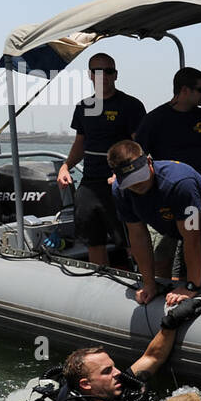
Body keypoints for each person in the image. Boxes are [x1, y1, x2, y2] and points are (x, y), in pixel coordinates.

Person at [106, 140, 201, 306]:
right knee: (176, 285)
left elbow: (192, 239)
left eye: (140, 177)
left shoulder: (179, 183)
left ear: (148, 162)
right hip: (189, 229)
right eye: (130, 181)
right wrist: (148, 284)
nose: (137, 184)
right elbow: (138, 236)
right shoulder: (120, 191)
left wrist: (192, 286)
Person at [20, 298, 201, 401]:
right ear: (86, 384)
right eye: (106, 371)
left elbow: (152, 357)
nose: (117, 372)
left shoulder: (118, 382)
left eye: (113, 367)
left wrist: (171, 322)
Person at [135, 66, 201, 275]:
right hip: (166, 197)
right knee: (163, 255)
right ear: (185, 90)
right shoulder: (155, 119)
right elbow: (137, 155)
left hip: (197, 196)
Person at [56, 53, 146, 266]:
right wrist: (65, 166)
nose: (102, 76)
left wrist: (125, 174)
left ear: (115, 75)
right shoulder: (83, 106)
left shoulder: (131, 106)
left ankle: (145, 285)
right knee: (93, 240)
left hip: (121, 183)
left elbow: (141, 148)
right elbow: (81, 143)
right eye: (97, 71)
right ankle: (100, 281)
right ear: (89, 75)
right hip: (90, 181)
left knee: (130, 240)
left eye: (108, 71)